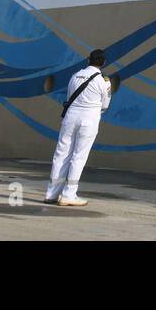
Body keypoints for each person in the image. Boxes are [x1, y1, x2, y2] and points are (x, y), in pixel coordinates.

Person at [45, 50, 112, 207]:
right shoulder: (104, 81)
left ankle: (51, 193)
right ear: (103, 63)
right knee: (79, 156)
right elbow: (105, 105)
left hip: (70, 116)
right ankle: (69, 194)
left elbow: (69, 96)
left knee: (61, 154)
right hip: (89, 119)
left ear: (87, 60)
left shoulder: (75, 75)